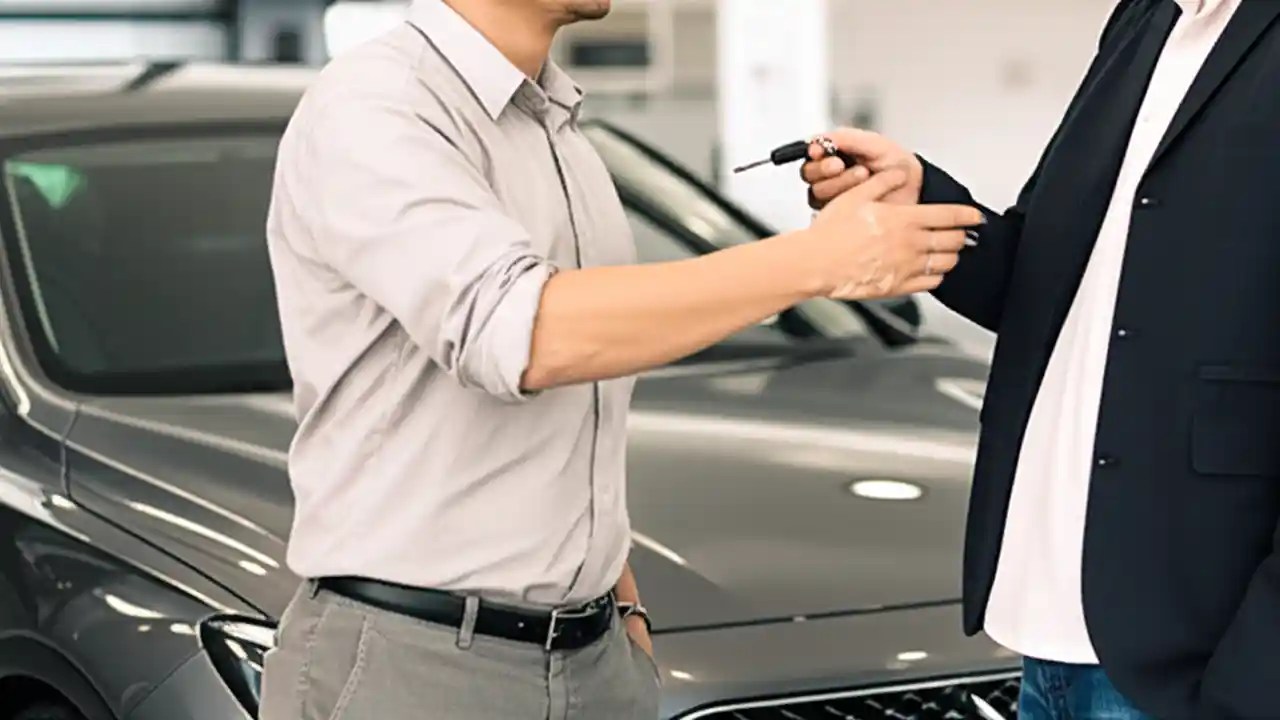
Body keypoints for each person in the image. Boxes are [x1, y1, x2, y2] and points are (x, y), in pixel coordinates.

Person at [259, 0, 983, 717]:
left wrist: (622, 607)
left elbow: (587, 380)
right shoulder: (376, 105)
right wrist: (818, 261)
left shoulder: (556, 127)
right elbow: (525, 332)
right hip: (415, 666)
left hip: (595, 658)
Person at [804, 1, 1280, 718]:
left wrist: (1254, 689)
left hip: (1192, 667)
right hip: (1049, 641)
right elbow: (1050, 286)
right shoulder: (1144, 21)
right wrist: (920, 199)